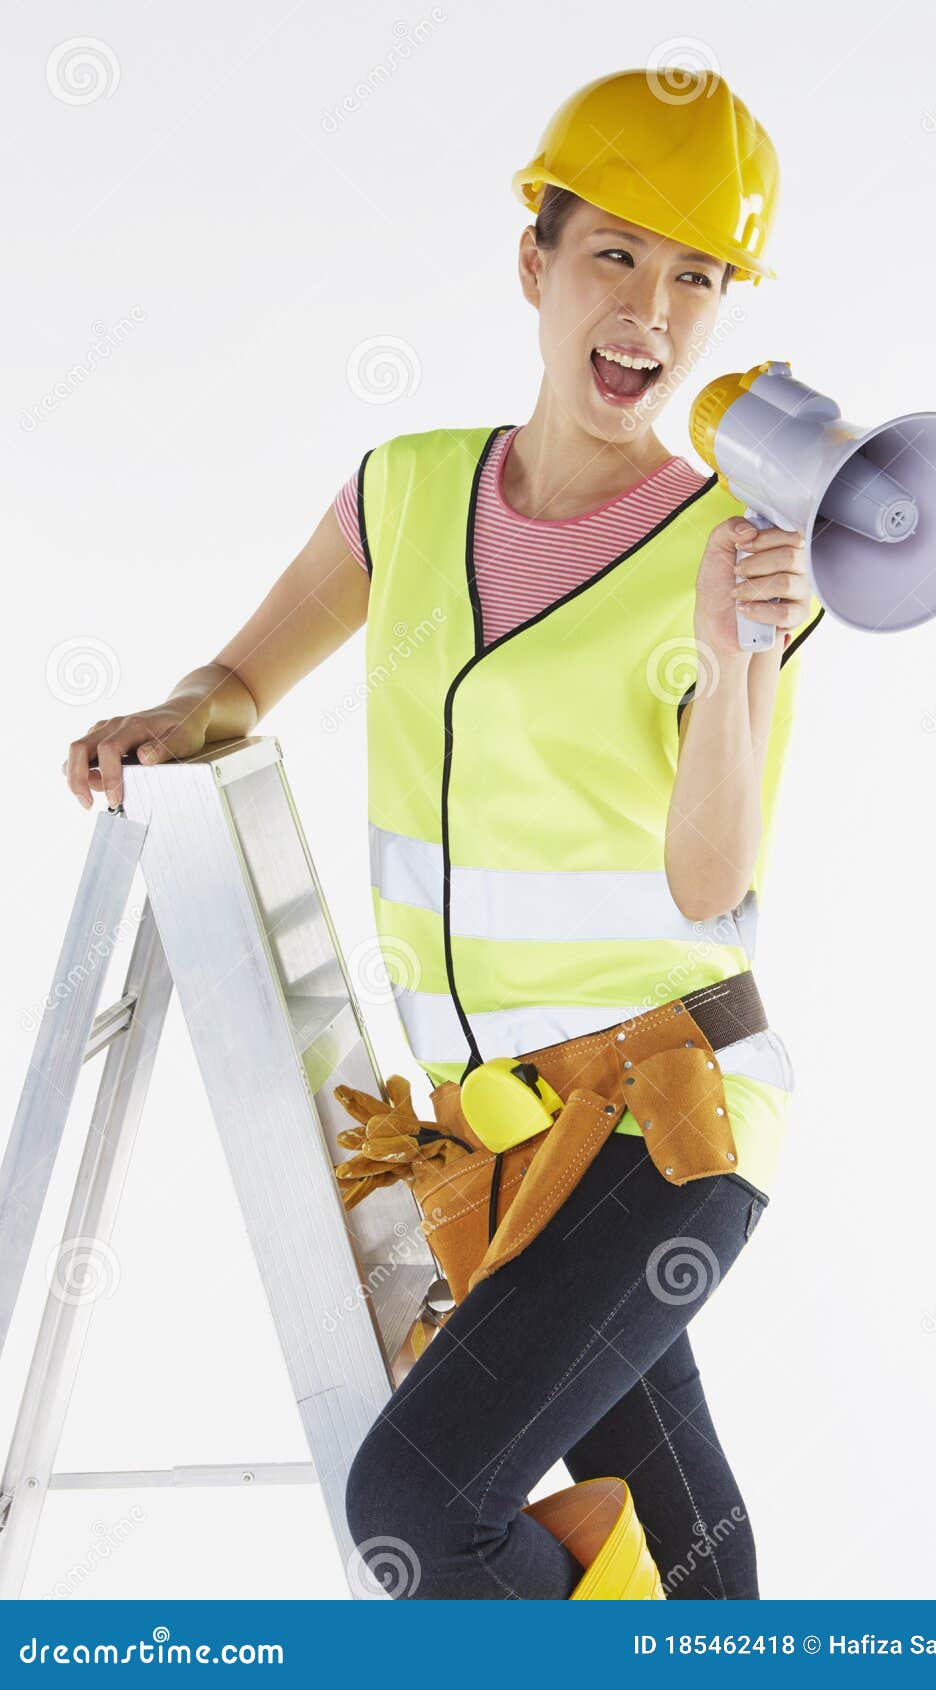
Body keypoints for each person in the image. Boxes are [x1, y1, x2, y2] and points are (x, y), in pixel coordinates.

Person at [62, 68, 819, 1599]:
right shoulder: (405, 493)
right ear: (533, 261)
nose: (652, 313)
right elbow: (241, 678)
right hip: (513, 1135)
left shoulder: (729, 553)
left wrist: (737, 650)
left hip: (673, 1116)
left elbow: (709, 877)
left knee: (413, 1502)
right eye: (615, 252)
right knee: (688, 1547)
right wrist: (177, 715)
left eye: (697, 277)